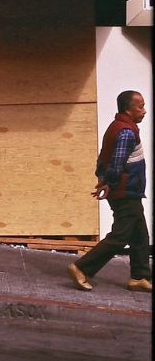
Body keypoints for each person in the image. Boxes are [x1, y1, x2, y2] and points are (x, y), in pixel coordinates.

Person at [68, 91, 151, 292]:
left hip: (128, 190)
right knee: (120, 236)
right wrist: (109, 183)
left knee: (140, 235)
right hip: (125, 191)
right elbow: (116, 163)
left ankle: (139, 277)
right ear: (128, 109)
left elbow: (102, 157)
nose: (144, 111)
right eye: (140, 107)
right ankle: (81, 268)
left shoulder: (118, 126)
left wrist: (103, 179)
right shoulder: (126, 132)